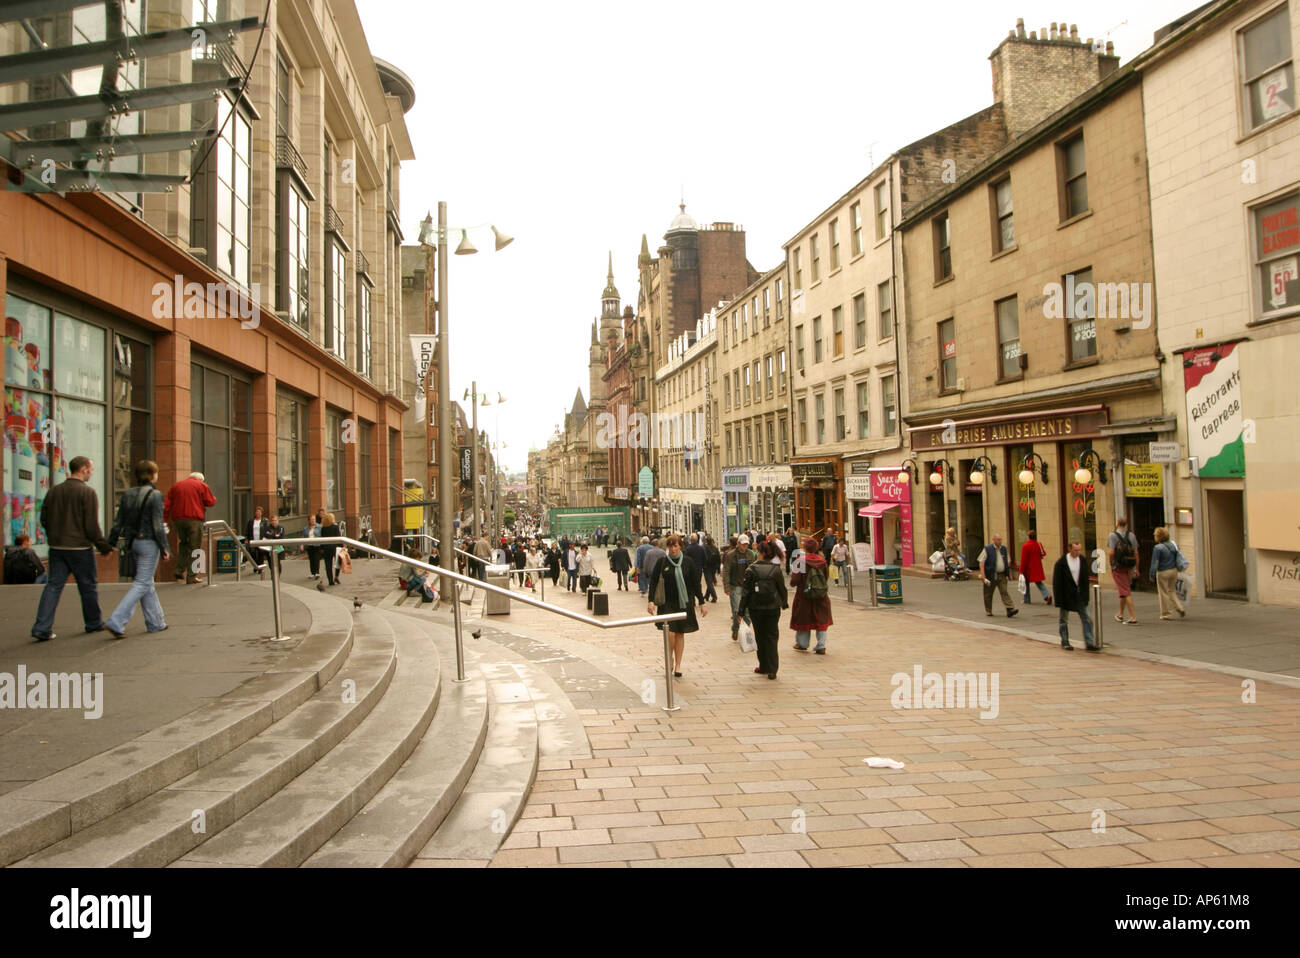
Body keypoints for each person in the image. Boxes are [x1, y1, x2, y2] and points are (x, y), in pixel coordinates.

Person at [30, 456, 114, 642]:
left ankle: (41, 627)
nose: (91, 473)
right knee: (88, 587)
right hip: (80, 548)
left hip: (57, 547)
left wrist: (54, 535)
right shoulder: (87, 493)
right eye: (90, 469)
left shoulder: (54, 491)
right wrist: (103, 546)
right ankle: (93, 622)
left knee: (53, 586)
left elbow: (44, 518)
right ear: (83, 469)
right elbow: (91, 525)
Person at [104, 460, 170, 639]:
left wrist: (110, 544)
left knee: (147, 582)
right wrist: (165, 547)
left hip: (133, 542)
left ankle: (156, 622)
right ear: (153, 475)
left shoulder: (128, 494)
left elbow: (118, 523)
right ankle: (116, 621)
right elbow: (157, 525)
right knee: (142, 583)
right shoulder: (155, 495)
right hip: (149, 542)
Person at [647, 534, 707, 678]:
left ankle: (678, 665)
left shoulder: (688, 562)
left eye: (675, 546)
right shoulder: (662, 562)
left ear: (680, 546)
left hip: (684, 602)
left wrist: (702, 602)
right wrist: (650, 601)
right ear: (667, 547)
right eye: (670, 546)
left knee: (680, 633)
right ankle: (670, 659)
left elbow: (695, 583)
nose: (673, 549)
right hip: (667, 602)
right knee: (670, 633)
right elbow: (654, 582)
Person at [737, 539, 788, 679]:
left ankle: (764, 665)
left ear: (760, 554)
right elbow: (782, 589)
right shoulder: (775, 569)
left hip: (756, 607)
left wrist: (741, 611)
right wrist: (784, 603)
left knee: (760, 636)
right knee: (772, 636)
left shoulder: (751, 569)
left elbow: (746, 592)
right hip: (773, 607)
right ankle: (772, 669)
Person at [163, 471, 215, 584]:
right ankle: (191, 576)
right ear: (200, 479)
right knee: (194, 547)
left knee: (183, 543)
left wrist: (165, 520)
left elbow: (166, 505)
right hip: (194, 520)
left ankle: (179, 569)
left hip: (178, 520)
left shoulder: (176, 486)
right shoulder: (201, 485)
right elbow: (210, 502)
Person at [1053, 539, 1099, 651]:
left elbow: (1085, 579)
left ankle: (1089, 642)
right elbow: (1057, 583)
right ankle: (1065, 641)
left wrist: (1086, 596)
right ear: (1069, 549)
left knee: (1087, 618)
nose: (1078, 552)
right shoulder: (1061, 563)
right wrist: (1058, 600)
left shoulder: (1082, 560)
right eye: (1075, 550)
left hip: (1080, 595)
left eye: (1079, 550)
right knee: (1063, 619)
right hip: (1066, 595)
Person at [790, 536, 833, 653]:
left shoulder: (800, 561)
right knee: (821, 619)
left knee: (803, 618)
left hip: (804, 595)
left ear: (804, 548)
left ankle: (802, 643)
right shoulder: (822, 561)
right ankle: (821, 645)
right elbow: (825, 577)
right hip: (820, 594)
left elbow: (794, 581)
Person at [722, 534, 757, 641]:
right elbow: (726, 571)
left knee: (747, 612)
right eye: (743, 544)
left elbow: (755, 570)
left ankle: (744, 630)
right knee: (737, 610)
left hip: (747, 587)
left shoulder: (751, 554)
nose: (745, 546)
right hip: (735, 585)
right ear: (738, 544)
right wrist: (726, 587)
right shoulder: (731, 555)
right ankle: (737, 630)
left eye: (746, 544)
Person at [1149, 527, 1187, 621]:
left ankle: (1166, 613)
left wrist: (1152, 574)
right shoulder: (1173, 544)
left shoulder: (1158, 548)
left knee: (1163, 593)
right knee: (1172, 591)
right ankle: (1180, 607)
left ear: (1158, 536)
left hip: (1163, 572)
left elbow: (1155, 562)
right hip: (1173, 570)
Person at [1107, 517, 1140, 625]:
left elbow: (1111, 552)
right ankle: (1120, 614)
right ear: (1126, 525)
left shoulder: (1112, 536)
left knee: (1126, 591)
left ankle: (1132, 617)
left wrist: (1111, 563)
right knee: (1123, 589)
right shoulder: (1131, 535)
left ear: (1117, 524)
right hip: (1129, 566)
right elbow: (1136, 553)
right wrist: (1136, 568)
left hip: (1119, 566)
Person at [979, 533, 1020, 618]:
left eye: (1000, 539)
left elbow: (1007, 562)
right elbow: (981, 562)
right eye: (998, 539)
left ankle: (1010, 609)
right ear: (993, 540)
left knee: (1004, 591)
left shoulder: (1004, 549)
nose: (1000, 541)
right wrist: (983, 575)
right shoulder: (987, 549)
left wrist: (1009, 573)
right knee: (988, 593)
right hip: (990, 575)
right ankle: (988, 610)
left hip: (1001, 575)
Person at [1018, 530, 1050, 604]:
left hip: (1028, 568)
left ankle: (1026, 599)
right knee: (1039, 582)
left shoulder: (1025, 545)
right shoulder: (1038, 544)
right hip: (1038, 566)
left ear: (1028, 537)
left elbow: (1024, 559)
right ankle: (1047, 594)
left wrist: (1021, 570)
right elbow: (1043, 553)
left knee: (1026, 583)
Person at [319, 512, 341, 586]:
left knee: (328, 565)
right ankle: (336, 576)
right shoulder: (335, 527)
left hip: (326, 548)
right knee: (337, 562)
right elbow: (338, 537)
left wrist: (322, 548)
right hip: (335, 547)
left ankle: (330, 580)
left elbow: (322, 539)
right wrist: (341, 546)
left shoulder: (323, 529)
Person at [684, 533, 707, 597]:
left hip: (690, 570)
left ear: (690, 540)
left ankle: (692, 599)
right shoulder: (701, 548)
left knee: (690, 584)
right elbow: (705, 558)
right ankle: (700, 597)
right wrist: (703, 567)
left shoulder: (688, 549)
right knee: (698, 583)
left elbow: (685, 559)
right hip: (699, 569)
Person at [305, 509, 325, 579]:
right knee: (311, 559)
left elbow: (322, 535)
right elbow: (304, 536)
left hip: (317, 545)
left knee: (316, 559)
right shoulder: (306, 528)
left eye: (314, 519)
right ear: (309, 520)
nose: (313, 521)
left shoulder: (319, 527)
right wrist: (301, 545)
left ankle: (317, 573)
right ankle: (312, 573)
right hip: (309, 545)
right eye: (311, 519)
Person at [702, 535, 721, 602]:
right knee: (710, 581)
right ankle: (706, 596)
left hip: (707, 567)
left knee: (709, 582)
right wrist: (718, 569)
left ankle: (714, 596)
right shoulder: (715, 548)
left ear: (706, 541)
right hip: (714, 567)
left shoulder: (705, 548)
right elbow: (719, 558)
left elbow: (703, 558)